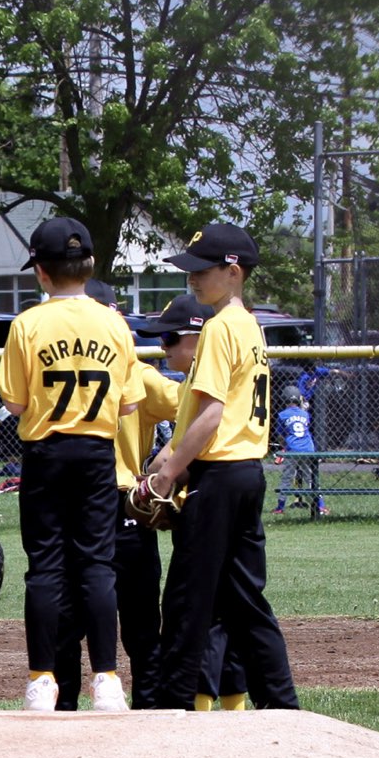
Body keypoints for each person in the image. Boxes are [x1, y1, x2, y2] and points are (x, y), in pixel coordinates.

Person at [146, 223, 299, 711]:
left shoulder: (217, 329)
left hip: (220, 477)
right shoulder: (249, 324)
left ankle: (172, 705)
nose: (192, 280)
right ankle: (282, 704)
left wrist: (168, 474)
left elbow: (212, 415)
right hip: (247, 473)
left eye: (201, 270)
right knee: (244, 598)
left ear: (232, 272)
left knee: (189, 599)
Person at [0, 217, 144, 713]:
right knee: (98, 566)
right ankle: (106, 678)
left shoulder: (28, 324)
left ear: (40, 272)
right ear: (91, 266)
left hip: (46, 453)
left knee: (45, 569)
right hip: (98, 454)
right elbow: (128, 405)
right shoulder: (114, 323)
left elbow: (14, 404)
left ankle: (42, 680)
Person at [54, 286, 187, 711]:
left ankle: (64, 713)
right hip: (125, 500)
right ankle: (149, 710)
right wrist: (163, 465)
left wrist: (164, 462)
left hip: (74, 502)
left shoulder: (55, 366)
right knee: (142, 623)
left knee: (68, 620)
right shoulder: (138, 373)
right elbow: (200, 408)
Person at [273, 385, 328, 515]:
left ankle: (280, 507)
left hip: (293, 449)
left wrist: (284, 446)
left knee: (287, 477)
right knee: (311, 478)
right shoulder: (305, 414)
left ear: (284, 399)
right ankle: (321, 506)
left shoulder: (282, 415)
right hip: (308, 449)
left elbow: (281, 436)